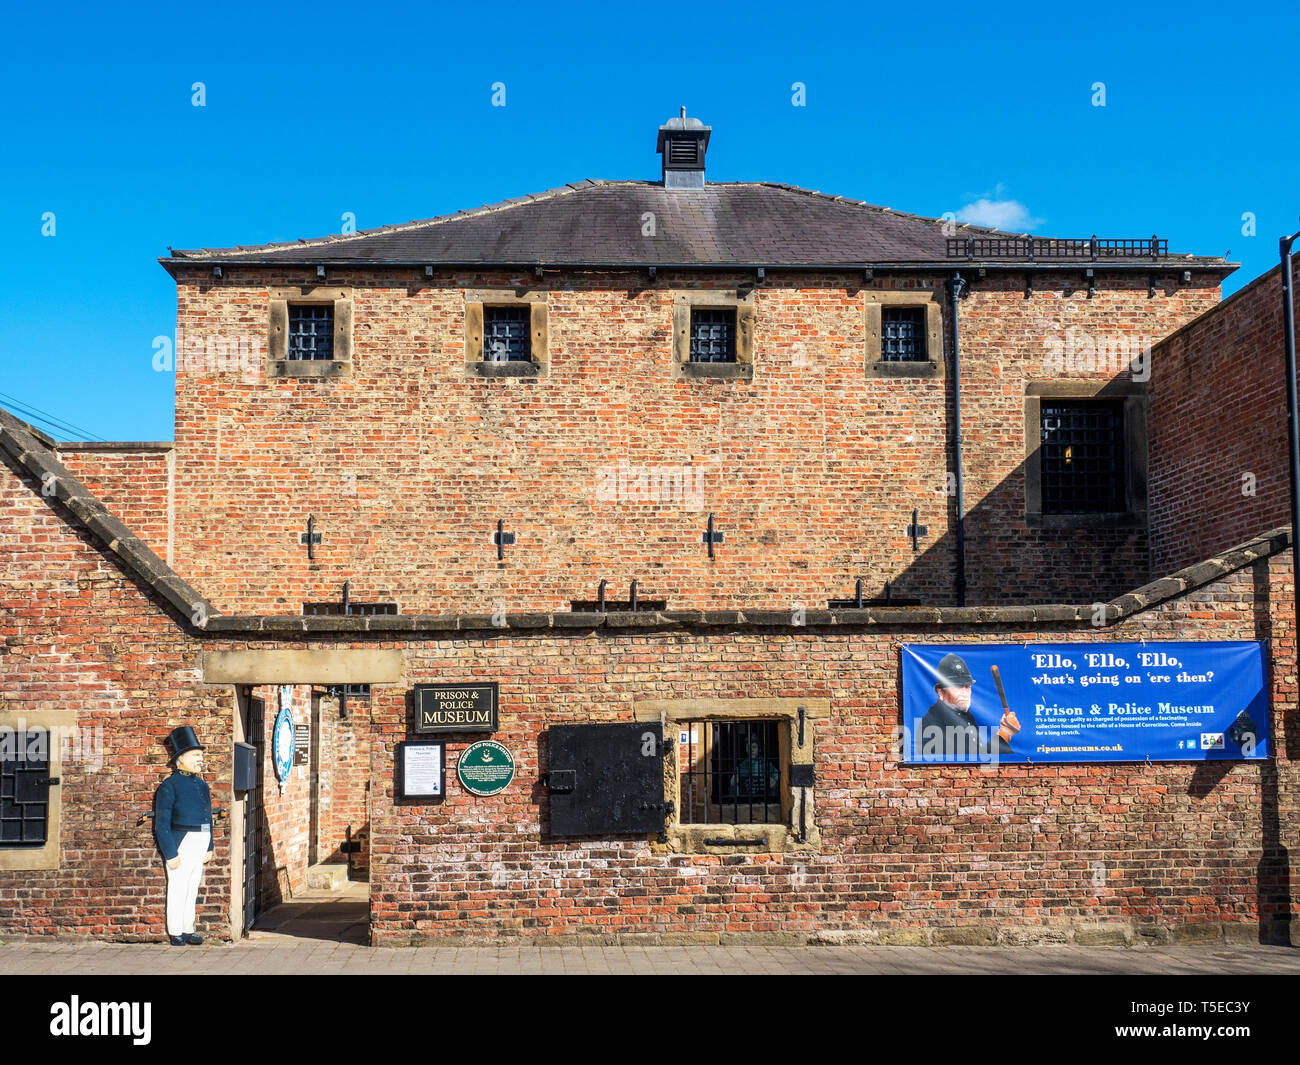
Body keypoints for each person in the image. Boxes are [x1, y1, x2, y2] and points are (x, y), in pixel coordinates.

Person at [154, 726, 213, 946]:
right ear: (180, 759)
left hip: (200, 840)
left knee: (193, 887)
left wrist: (209, 846)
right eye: (196, 755)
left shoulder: (202, 785)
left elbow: (209, 818)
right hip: (181, 841)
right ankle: (175, 930)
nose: (201, 759)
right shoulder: (169, 786)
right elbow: (162, 823)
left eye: (201, 755)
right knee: (178, 887)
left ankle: (188, 928)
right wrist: (170, 852)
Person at [919, 653, 1020, 760]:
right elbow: (974, 761)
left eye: (967, 686)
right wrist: (1005, 733)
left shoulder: (965, 715)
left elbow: (978, 756)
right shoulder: (934, 723)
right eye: (956, 686)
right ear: (941, 692)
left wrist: (1005, 732)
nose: (964, 693)